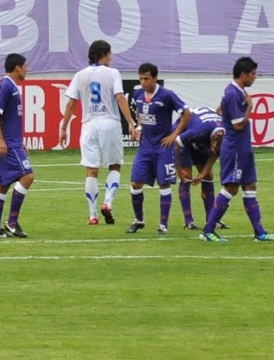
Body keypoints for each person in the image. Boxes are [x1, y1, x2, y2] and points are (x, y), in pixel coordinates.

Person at [200, 56, 274, 243]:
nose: (255, 78)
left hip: (243, 148)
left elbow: (220, 111)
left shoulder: (235, 91)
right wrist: (250, 108)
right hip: (235, 148)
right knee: (231, 188)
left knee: (250, 186)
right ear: (243, 74)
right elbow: (238, 125)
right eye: (253, 74)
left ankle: (260, 232)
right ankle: (208, 229)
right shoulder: (234, 94)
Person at [59, 39, 137, 226]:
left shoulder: (80, 75)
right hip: (109, 123)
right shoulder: (112, 73)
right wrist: (131, 122)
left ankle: (93, 215)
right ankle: (108, 202)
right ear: (104, 54)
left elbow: (71, 104)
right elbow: (120, 97)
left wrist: (63, 128)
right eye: (109, 54)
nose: (111, 58)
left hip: (89, 125)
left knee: (91, 171)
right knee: (115, 166)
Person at [125, 62, 189, 234]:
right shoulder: (138, 94)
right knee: (135, 182)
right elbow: (140, 114)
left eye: (146, 79)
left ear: (155, 78)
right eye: (141, 79)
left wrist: (174, 135)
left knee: (164, 184)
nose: (143, 82)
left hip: (163, 148)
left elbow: (186, 113)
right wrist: (138, 128)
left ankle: (163, 224)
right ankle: (139, 220)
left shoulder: (167, 95)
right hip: (145, 147)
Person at [0, 52, 34, 240]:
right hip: (6, 143)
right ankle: (12, 222)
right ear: (17, 68)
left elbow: (8, 118)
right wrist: (0, 139)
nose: (27, 69)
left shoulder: (12, 86)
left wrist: (18, 140)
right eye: (25, 66)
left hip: (12, 142)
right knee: (28, 176)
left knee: (2, 184)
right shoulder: (5, 85)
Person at [172, 107, 225, 231]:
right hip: (183, 137)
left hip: (202, 139)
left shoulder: (225, 134)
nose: (213, 151)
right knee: (186, 177)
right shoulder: (200, 130)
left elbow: (214, 153)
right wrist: (178, 170)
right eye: (214, 148)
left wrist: (203, 173)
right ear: (216, 138)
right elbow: (177, 143)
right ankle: (188, 221)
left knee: (208, 176)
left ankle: (211, 219)